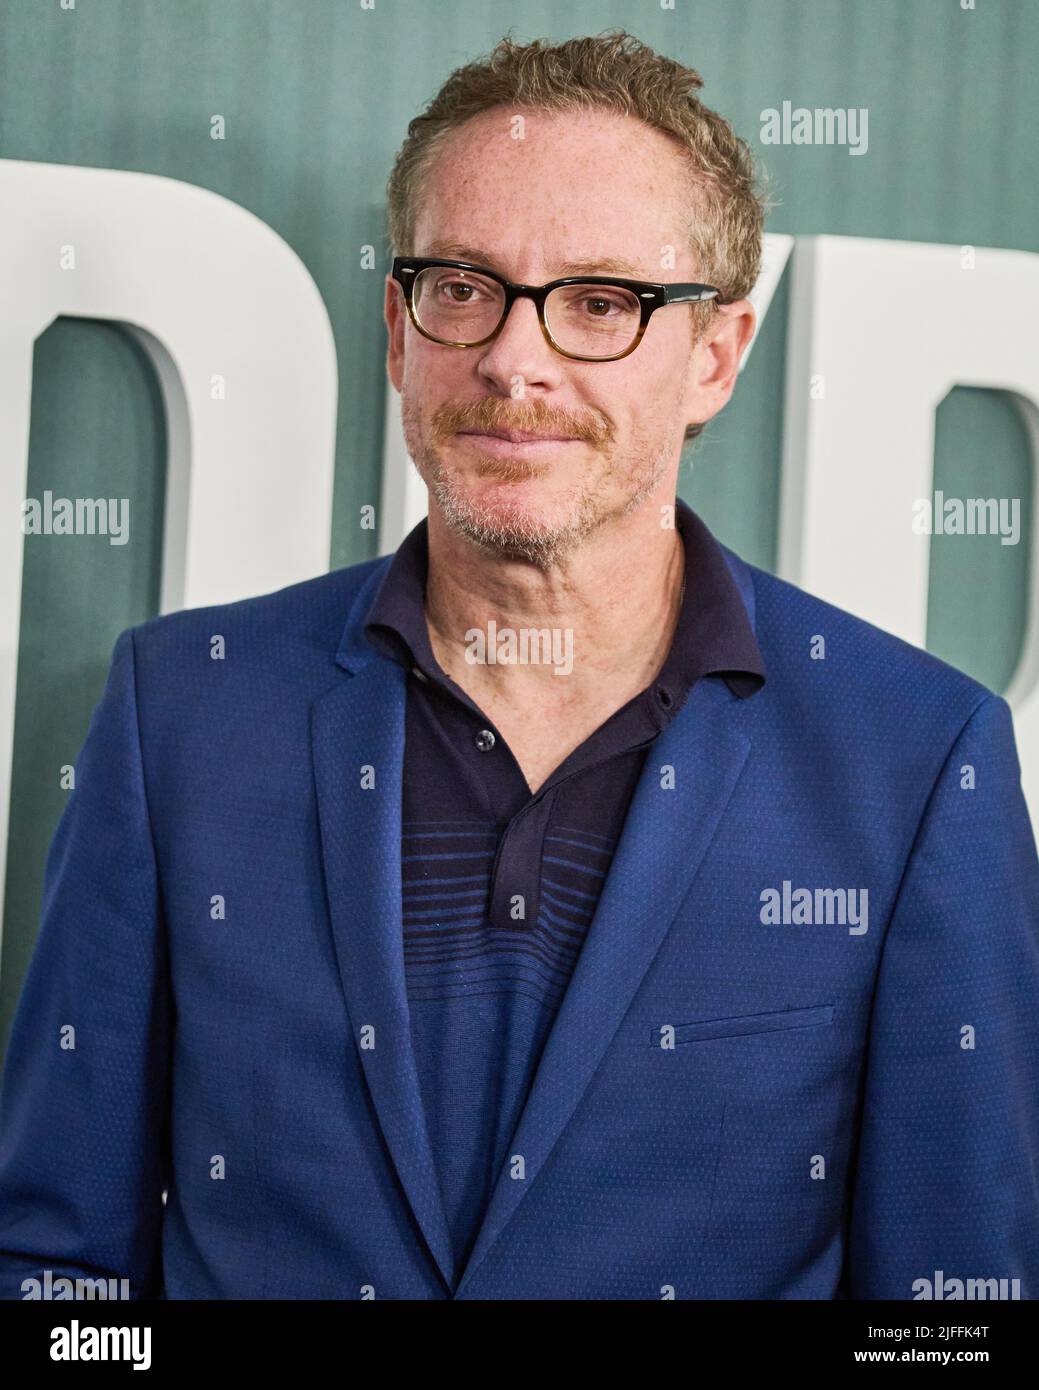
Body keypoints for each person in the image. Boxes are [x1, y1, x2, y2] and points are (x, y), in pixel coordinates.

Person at [1, 30, 1036, 1301]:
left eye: (600, 301)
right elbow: (57, 1276)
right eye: (464, 286)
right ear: (398, 326)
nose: (513, 360)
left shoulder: (918, 763)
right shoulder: (183, 712)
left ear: (714, 355)